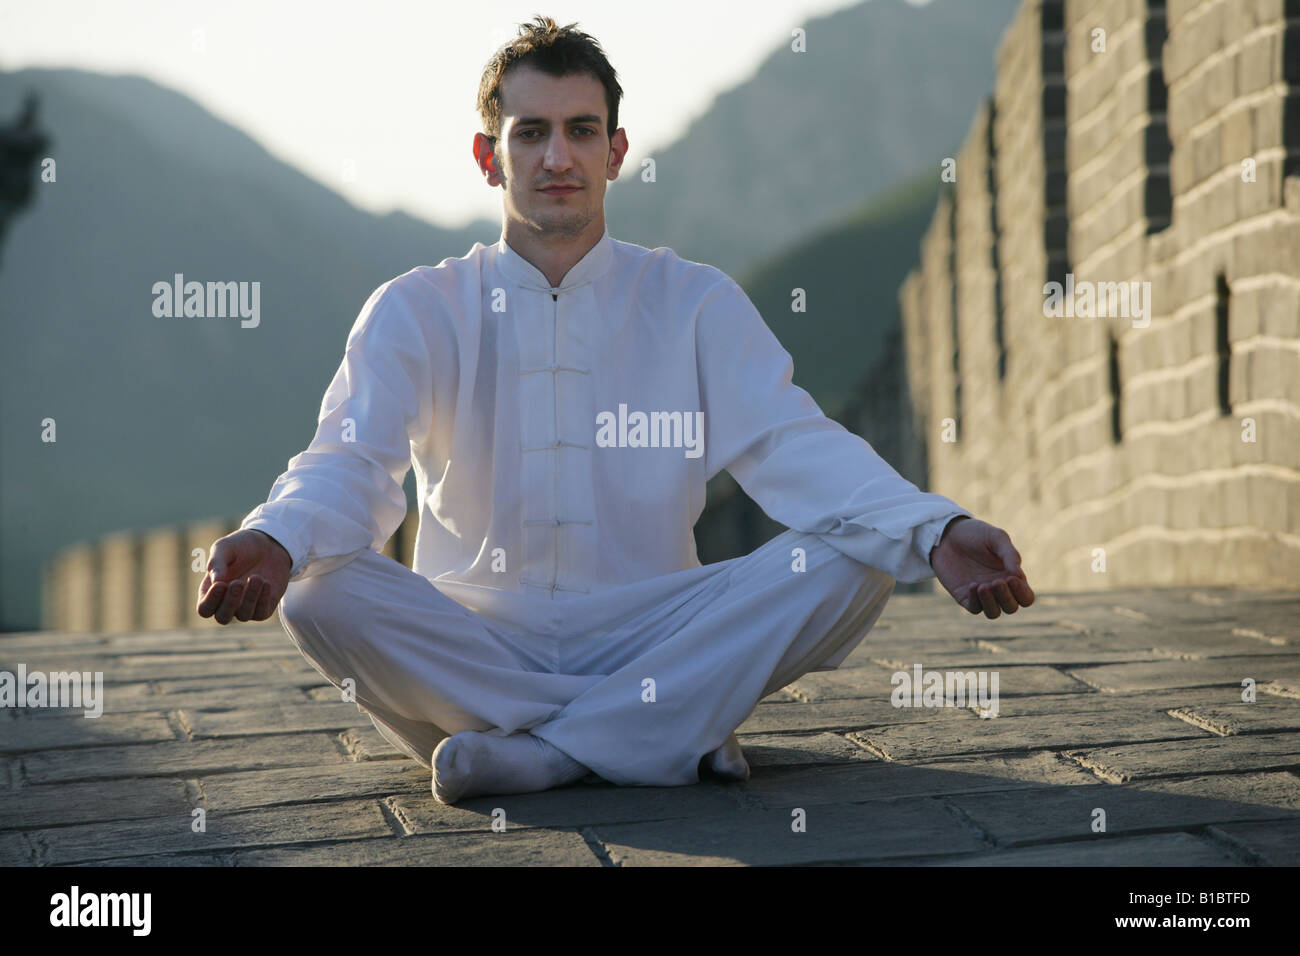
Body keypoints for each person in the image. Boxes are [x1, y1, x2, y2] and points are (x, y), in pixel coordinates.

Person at [197, 15, 1034, 805]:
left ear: (617, 151)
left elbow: (791, 443)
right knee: (315, 595)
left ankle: (541, 755)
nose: (557, 155)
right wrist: (278, 536)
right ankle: (663, 731)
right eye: (531, 132)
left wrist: (935, 528)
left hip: (654, 630)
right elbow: (350, 461)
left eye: (581, 130)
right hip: (480, 634)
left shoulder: (693, 300)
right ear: (490, 157)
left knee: (857, 562)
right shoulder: (417, 308)